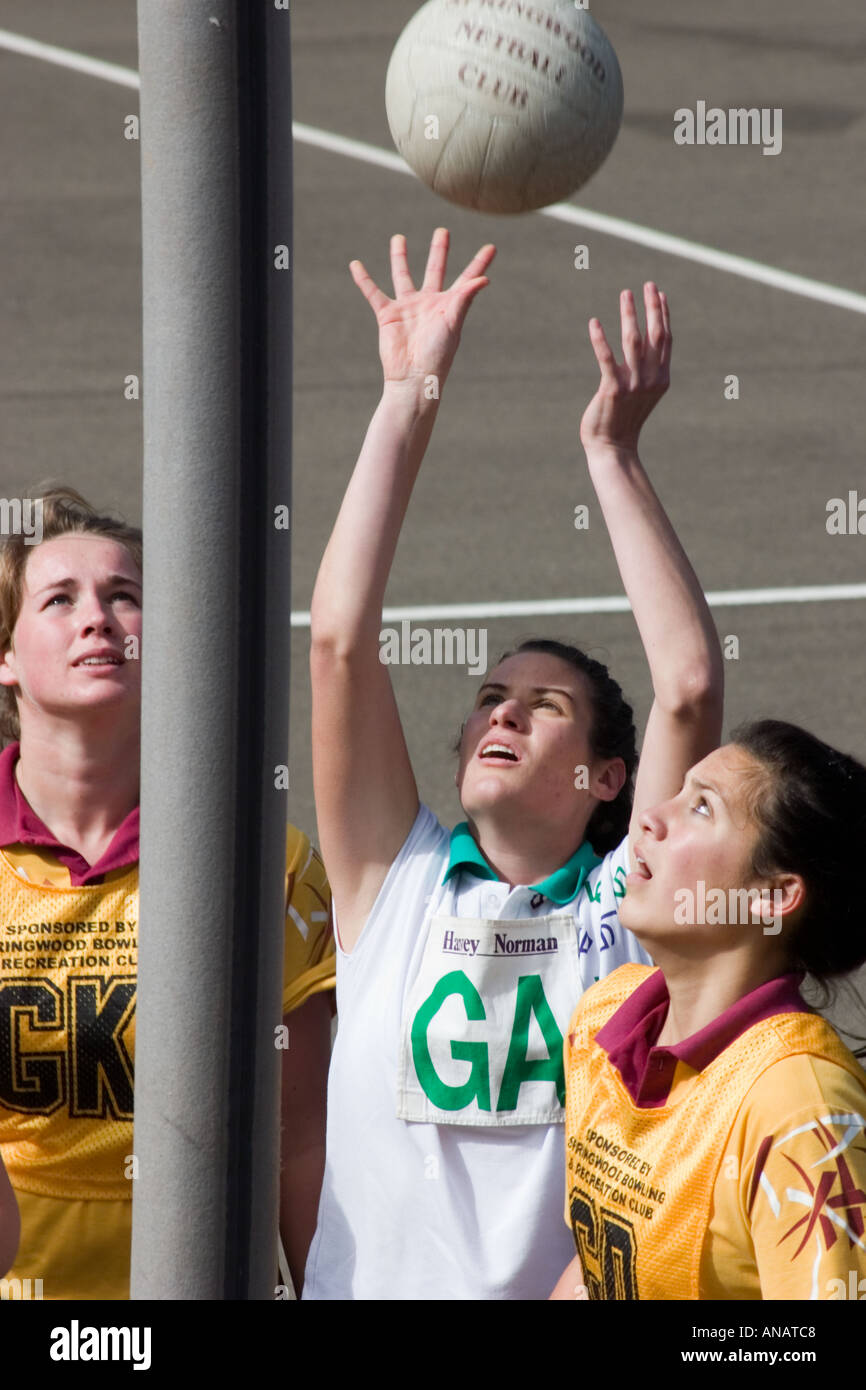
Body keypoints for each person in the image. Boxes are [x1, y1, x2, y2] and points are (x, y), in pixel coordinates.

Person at [303, 228, 724, 1299]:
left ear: (605, 779)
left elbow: (682, 686)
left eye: (544, 709)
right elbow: (339, 639)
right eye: (490, 697)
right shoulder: (388, 881)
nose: (501, 713)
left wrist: (612, 458)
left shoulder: (626, 908)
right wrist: (408, 393)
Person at [0, 487, 334, 1299]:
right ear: (4, 655)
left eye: (126, 596)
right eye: (59, 599)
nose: (100, 620)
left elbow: (299, 1146)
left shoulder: (262, 861)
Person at [555, 721, 866, 1301]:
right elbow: (598, 1265)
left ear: (773, 897)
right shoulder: (602, 1014)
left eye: (701, 808)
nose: (650, 817)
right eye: (678, 791)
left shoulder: (802, 1108)